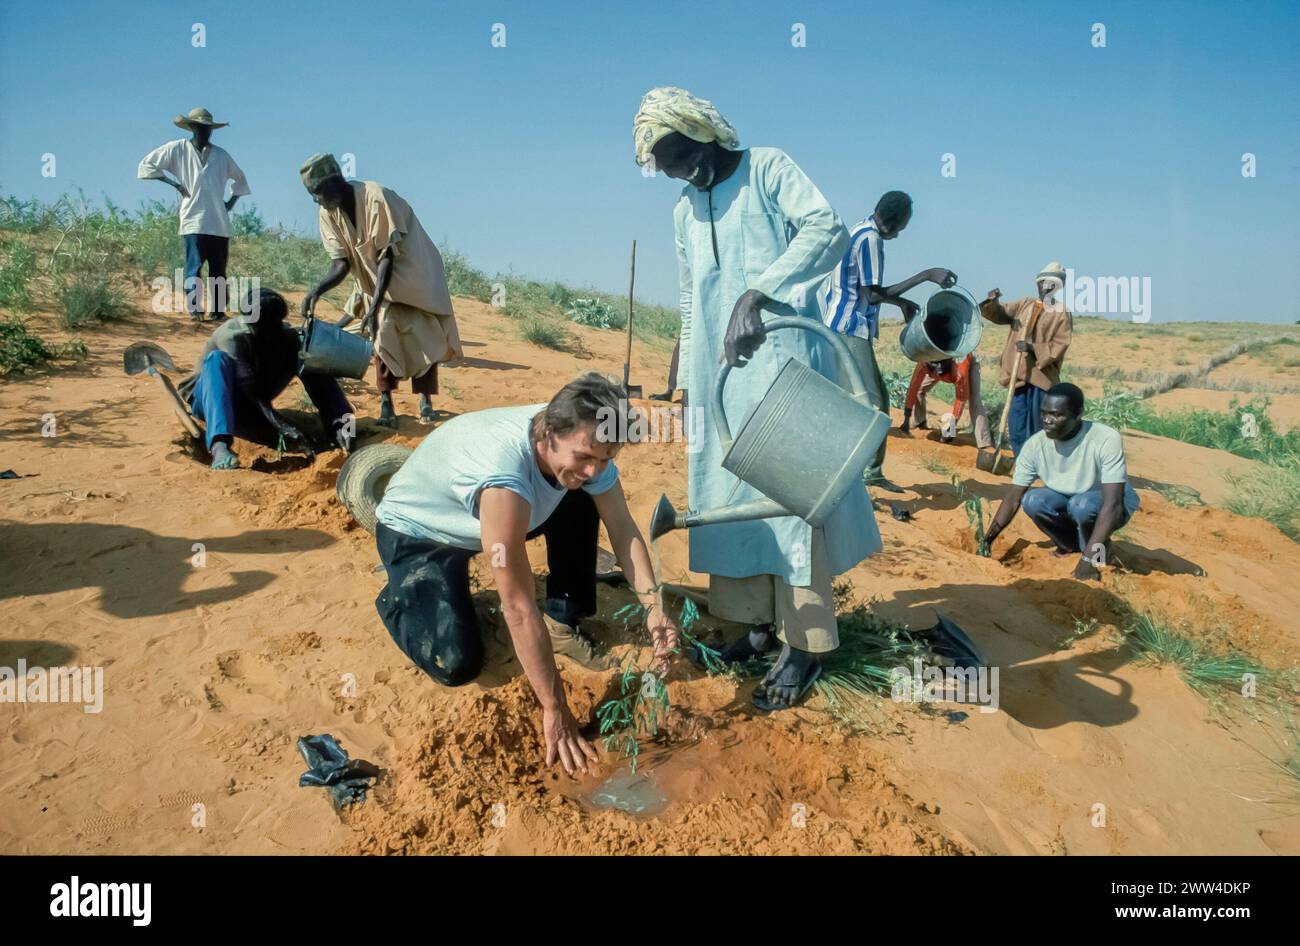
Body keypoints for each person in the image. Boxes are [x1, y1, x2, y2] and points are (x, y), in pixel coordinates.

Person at [634, 86, 878, 711]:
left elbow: (828, 229)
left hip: (783, 362)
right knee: (727, 496)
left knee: (788, 498)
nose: (676, 173)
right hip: (720, 375)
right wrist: (687, 378)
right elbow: (692, 294)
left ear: (702, 133)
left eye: (678, 156)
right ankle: (754, 625)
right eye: (666, 168)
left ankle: (805, 645)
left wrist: (760, 292)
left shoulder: (768, 167)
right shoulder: (684, 210)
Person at [373, 373, 680, 775]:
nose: (595, 469)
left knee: (581, 494)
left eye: (605, 459)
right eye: (585, 456)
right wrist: (554, 708)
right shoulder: (506, 479)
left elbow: (622, 528)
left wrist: (653, 606)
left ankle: (561, 615)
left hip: (496, 520)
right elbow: (517, 608)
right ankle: (401, 596)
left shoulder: (583, 441)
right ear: (548, 433)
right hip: (422, 533)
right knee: (456, 664)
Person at [299, 153, 462, 427]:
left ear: (334, 182)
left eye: (318, 192)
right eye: (312, 195)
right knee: (383, 334)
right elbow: (340, 263)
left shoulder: (375, 196)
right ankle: (387, 404)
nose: (316, 200)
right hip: (377, 279)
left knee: (423, 333)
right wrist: (316, 291)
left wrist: (373, 306)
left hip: (413, 272)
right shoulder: (328, 213)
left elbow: (387, 256)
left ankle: (425, 401)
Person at [818, 191, 958, 492]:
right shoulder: (870, 239)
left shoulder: (858, 229)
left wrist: (903, 303)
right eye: (903, 226)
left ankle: (864, 470)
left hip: (842, 325)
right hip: (849, 327)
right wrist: (925, 276)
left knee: (874, 399)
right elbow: (873, 294)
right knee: (872, 404)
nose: (901, 232)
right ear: (895, 221)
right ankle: (865, 473)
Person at [178, 289, 356, 471]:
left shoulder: (286, 336)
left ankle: (340, 426)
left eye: (270, 326)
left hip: (253, 404)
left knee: (306, 356)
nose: (264, 332)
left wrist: (342, 421)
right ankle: (220, 446)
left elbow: (315, 376)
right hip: (212, 402)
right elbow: (251, 393)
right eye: (256, 326)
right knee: (216, 360)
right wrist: (284, 427)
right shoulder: (232, 337)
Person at [984, 383, 1139, 581]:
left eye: (1057, 415)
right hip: (1068, 497)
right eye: (1044, 413)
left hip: (1109, 501)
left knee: (1082, 506)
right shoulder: (1035, 445)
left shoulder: (1105, 439)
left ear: (1078, 414)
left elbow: (1113, 505)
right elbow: (1013, 498)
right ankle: (1070, 546)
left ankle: (1098, 554)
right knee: (1033, 500)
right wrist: (987, 539)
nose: (1047, 420)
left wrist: (1088, 562)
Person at [137, 107, 250, 322]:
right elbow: (147, 165)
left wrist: (230, 203)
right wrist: (175, 184)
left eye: (208, 128)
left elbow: (241, 180)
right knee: (194, 268)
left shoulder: (221, 155)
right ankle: (195, 311)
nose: (205, 132)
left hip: (218, 223)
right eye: (200, 127)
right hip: (193, 221)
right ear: (192, 128)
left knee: (218, 271)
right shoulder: (178, 149)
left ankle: (217, 312)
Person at [980, 261, 1073, 456]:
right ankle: (1020, 460)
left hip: (1041, 378)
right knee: (1017, 421)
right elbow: (1000, 314)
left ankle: (1037, 462)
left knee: (1038, 425)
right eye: (1042, 283)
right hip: (1017, 375)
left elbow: (1060, 344)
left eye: (1050, 285)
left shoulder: (1061, 312)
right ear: (1038, 284)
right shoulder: (1025, 304)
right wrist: (992, 302)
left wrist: (1033, 348)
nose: (1045, 287)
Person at [900, 353, 993, 447]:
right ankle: (919, 421)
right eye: (935, 365)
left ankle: (984, 443)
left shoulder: (960, 371)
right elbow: (913, 387)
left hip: (967, 364)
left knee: (974, 399)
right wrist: (906, 418)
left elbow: (961, 399)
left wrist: (951, 427)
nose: (938, 369)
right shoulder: (924, 363)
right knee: (918, 390)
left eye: (940, 368)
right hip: (940, 367)